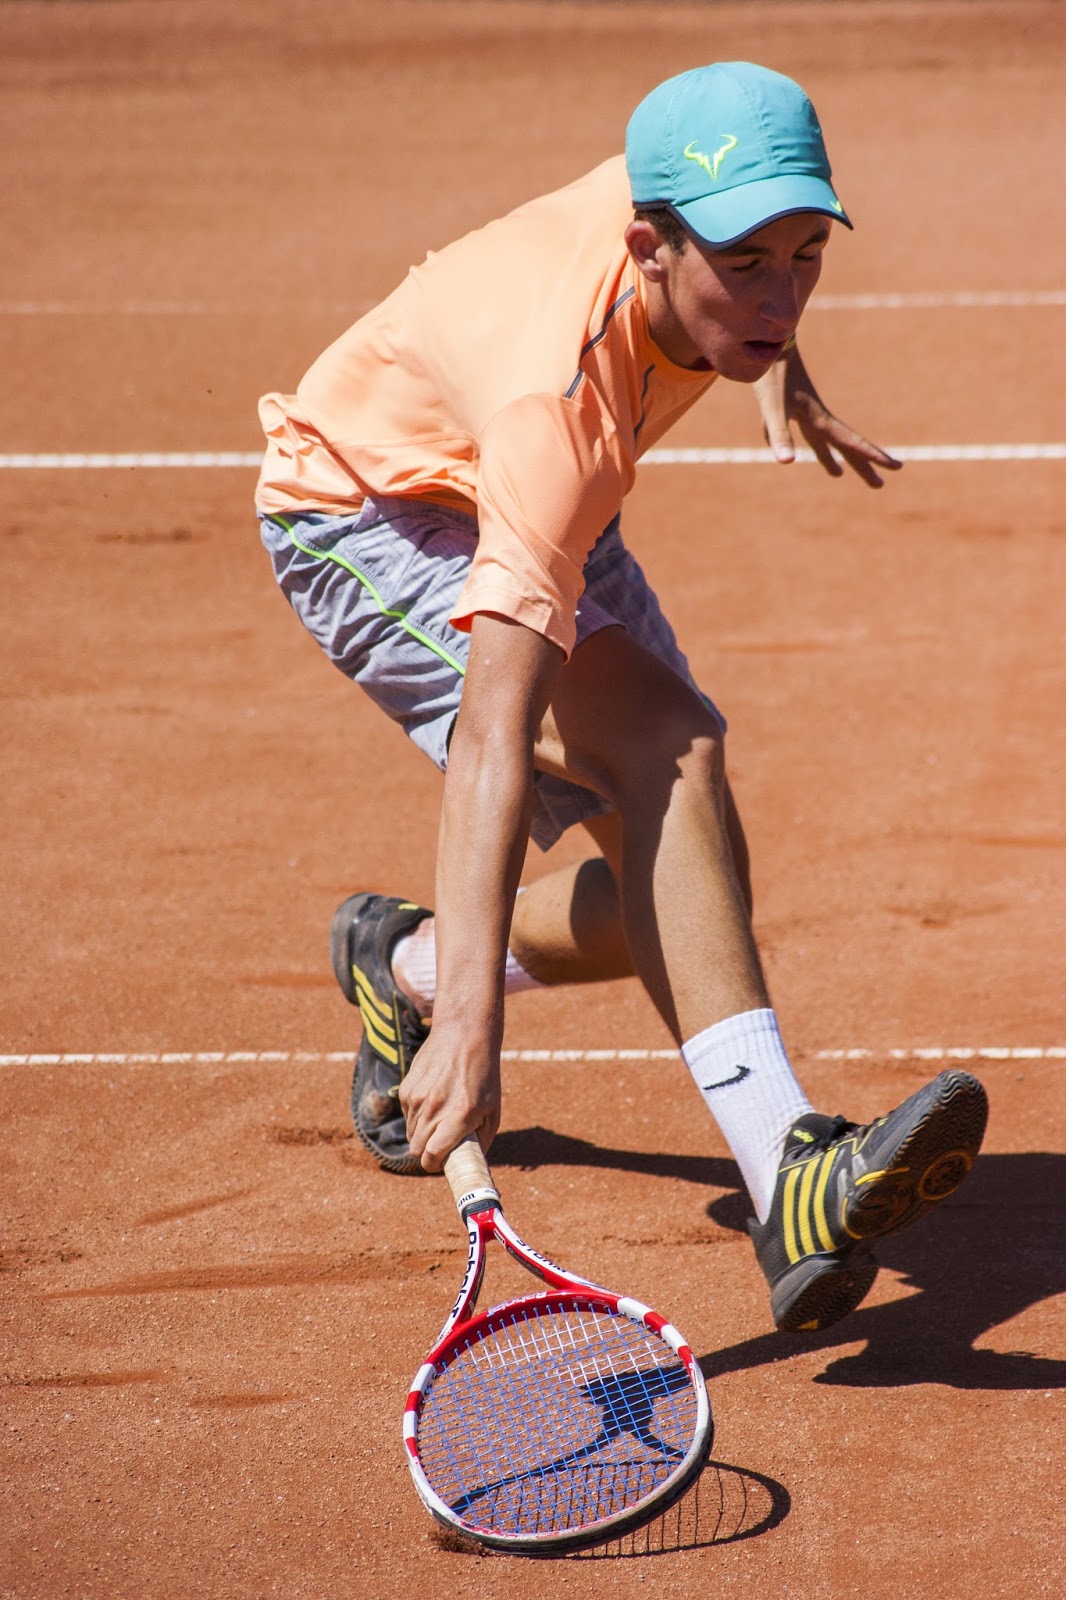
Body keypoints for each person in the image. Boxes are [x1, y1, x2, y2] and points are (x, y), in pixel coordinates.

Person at [256, 62, 987, 1333]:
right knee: (670, 747)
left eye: (806, 254)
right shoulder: (554, 408)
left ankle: (406, 964)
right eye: (748, 267)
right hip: (372, 504)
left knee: (690, 856)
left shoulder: (697, 226)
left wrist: (779, 369)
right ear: (649, 244)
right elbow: (492, 730)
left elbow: (749, 261)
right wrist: (479, 1035)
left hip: (539, 492)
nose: (782, 292)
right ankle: (788, 1171)